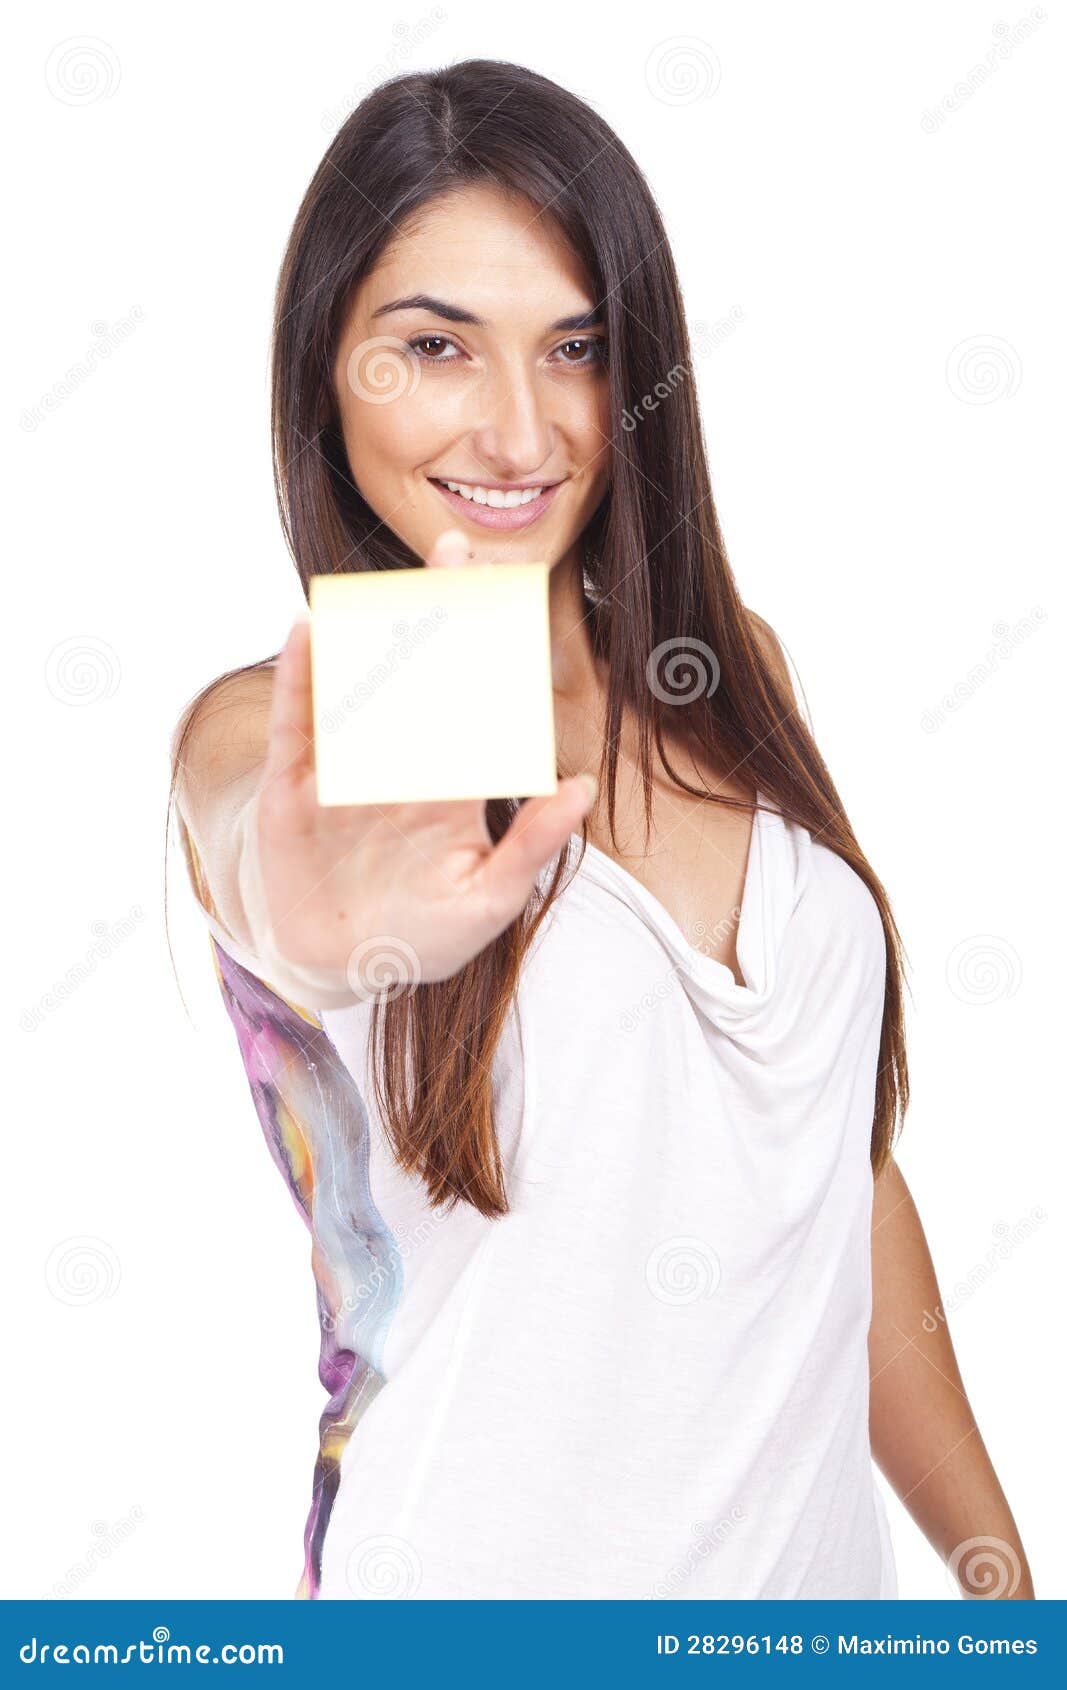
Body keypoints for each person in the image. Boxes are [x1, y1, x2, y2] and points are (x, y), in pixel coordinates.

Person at [169, 59, 1033, 1602]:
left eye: (576, 348)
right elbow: (262, 853)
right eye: (436, 347)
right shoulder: (284, 732)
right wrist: (319, 929)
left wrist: (997, 1572)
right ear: (324, 372)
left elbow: (829, 1169)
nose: (521, 432)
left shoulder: (733, 672)